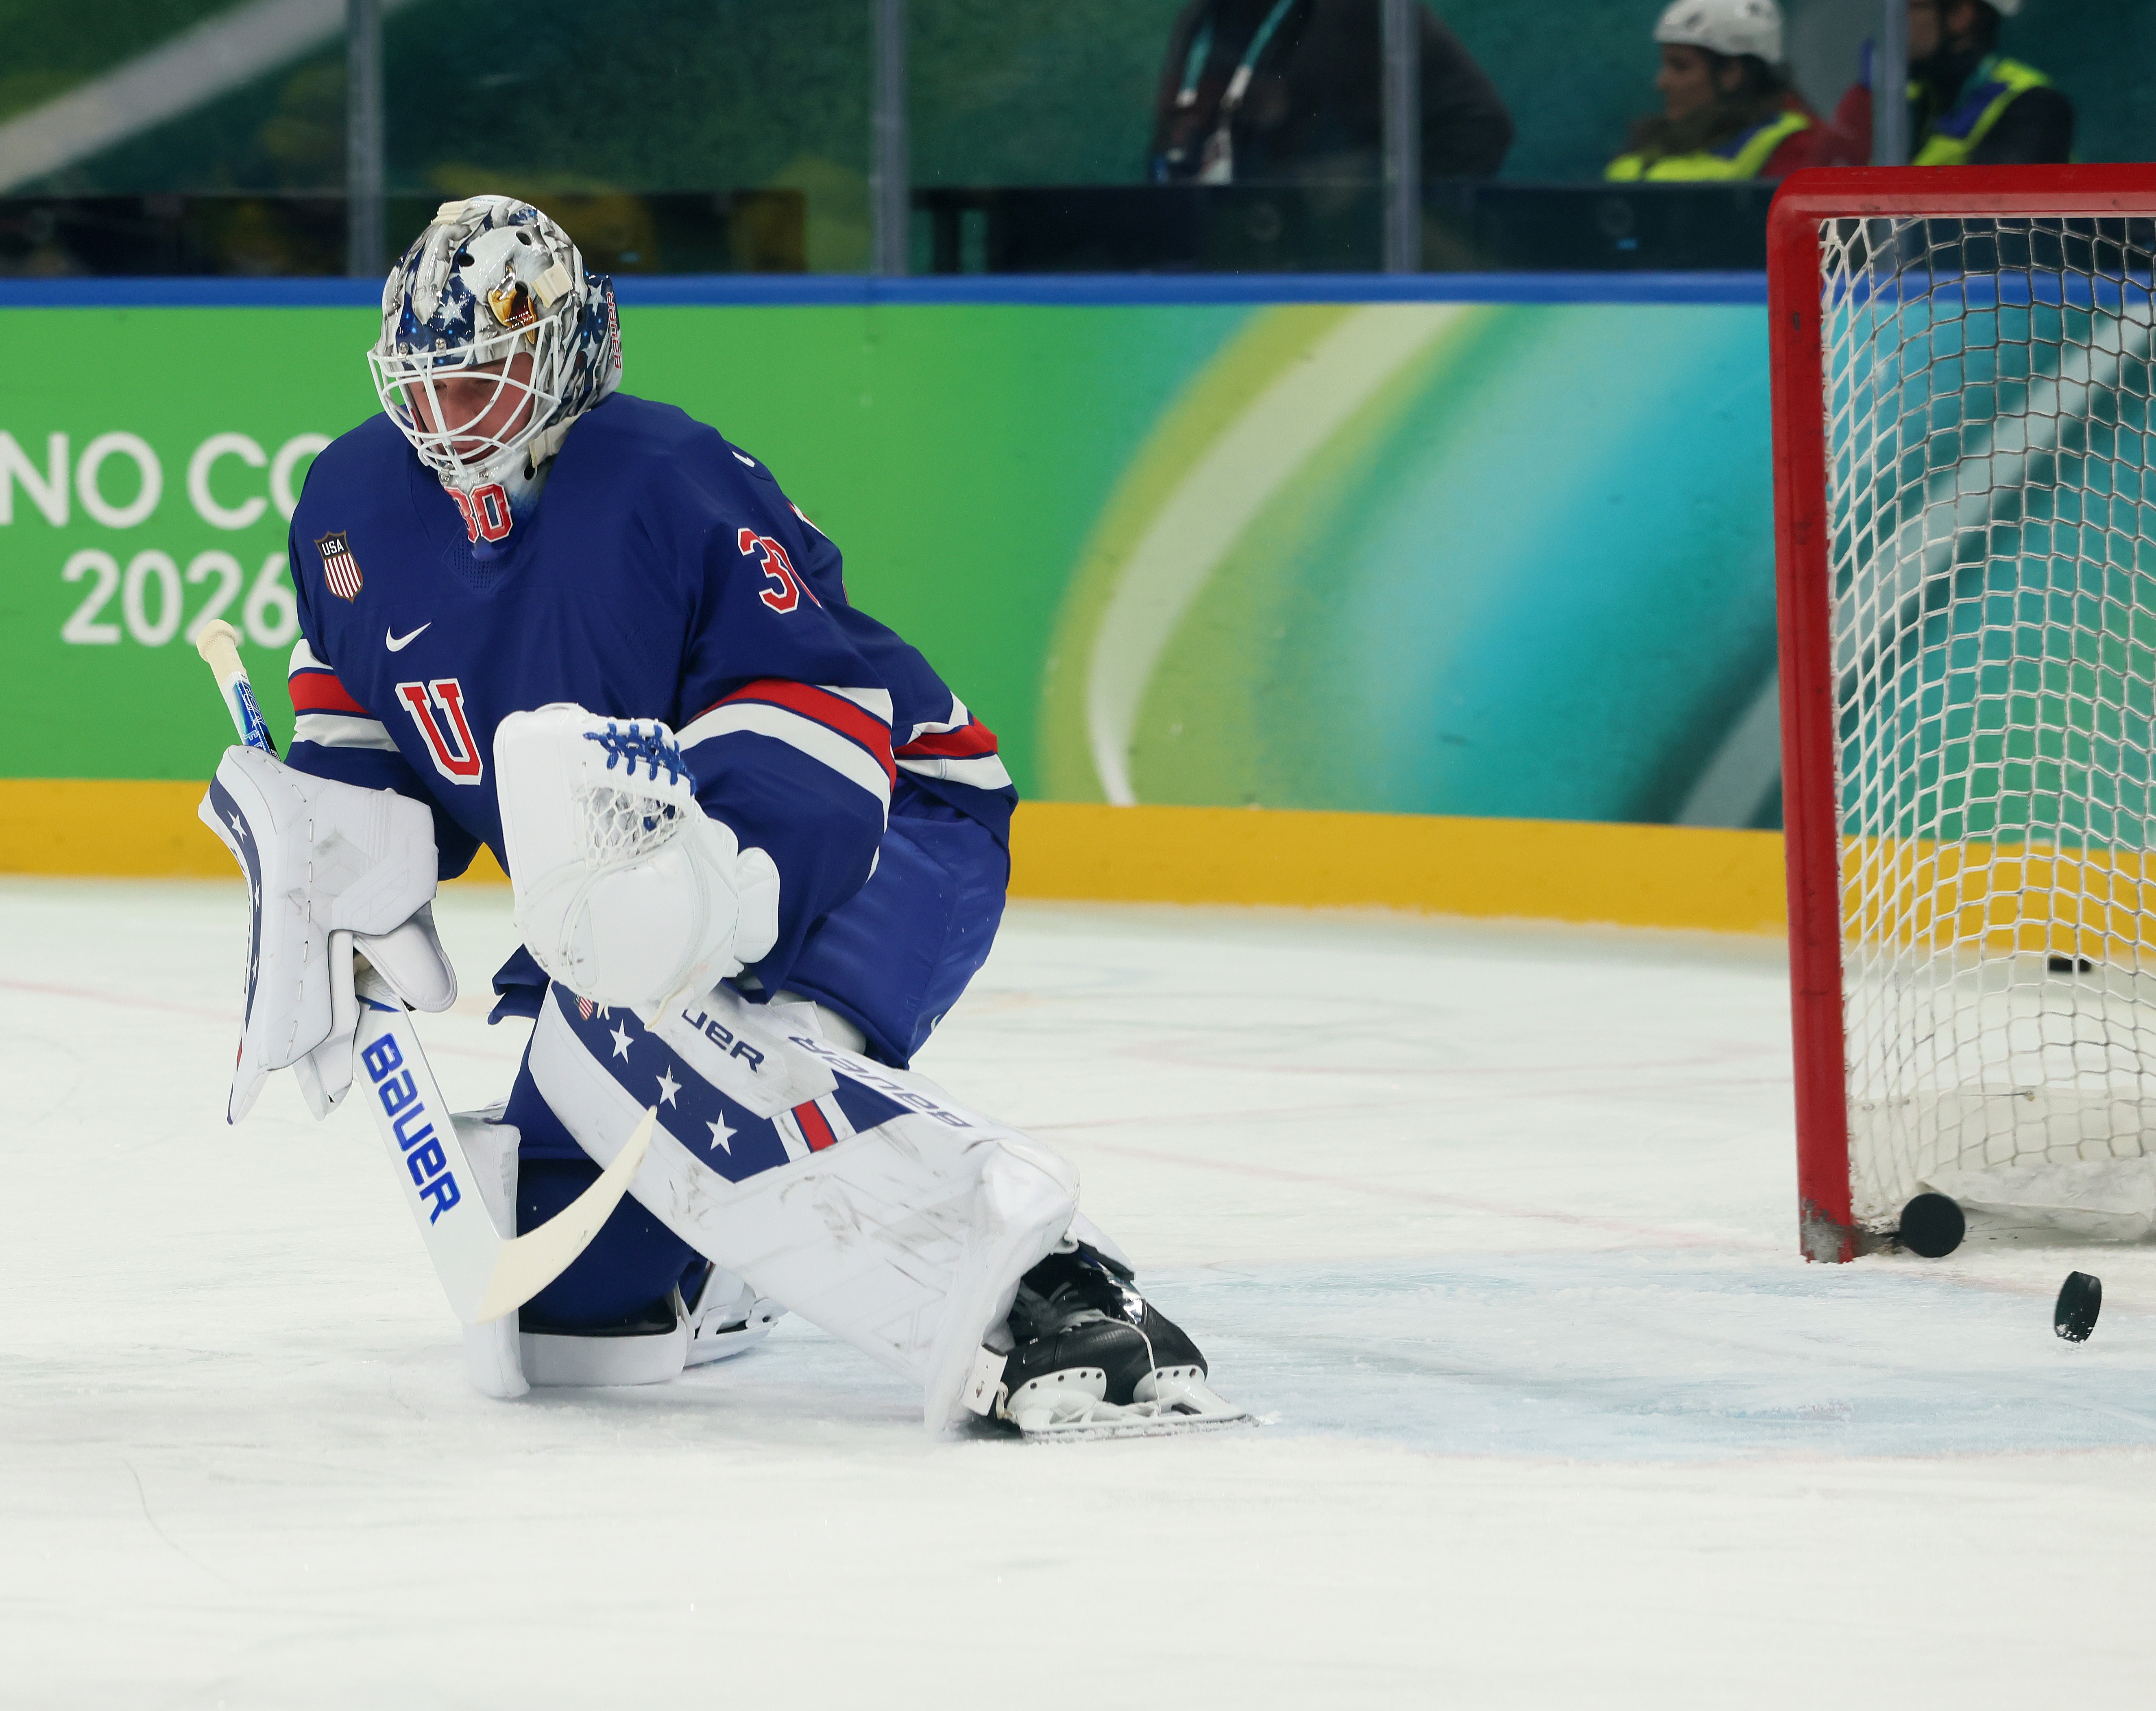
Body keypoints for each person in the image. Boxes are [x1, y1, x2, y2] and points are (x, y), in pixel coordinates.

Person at [196, 195, 1246, 1439]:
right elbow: (369, 718)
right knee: (573, 1313)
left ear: (567, 357)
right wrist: (327, 840)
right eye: (422, 391)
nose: (446, 427)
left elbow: (816, 710)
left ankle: (1053, 1278)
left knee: (730, 1060)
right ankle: (736, 1252)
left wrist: (724, 904)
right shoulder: (349, 504)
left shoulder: (666, 481)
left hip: (884, 822)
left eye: (479, 386)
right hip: (616, 894)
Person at [1151, 0, 1513, 185]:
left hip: (1327, 281)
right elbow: (1176, 150)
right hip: (1210, 271)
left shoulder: (1361, 10)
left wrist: (1367, 191)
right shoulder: (1199, 21)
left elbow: (1480, 125)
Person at [1822, 0, 2073, 167]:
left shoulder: (2033, 105)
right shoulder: (1912, 100)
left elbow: (1994, 221)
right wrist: (1865, 98)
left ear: (1959, 16)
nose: (1893, 26)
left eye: (1909, 8)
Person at [1607, 0, 1835, 181]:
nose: (1662, 83)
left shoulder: (1792, 147)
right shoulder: (1651, 138)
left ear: (1730, 74)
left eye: (1680, 66)